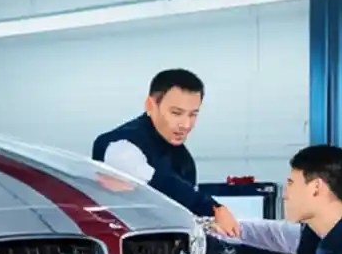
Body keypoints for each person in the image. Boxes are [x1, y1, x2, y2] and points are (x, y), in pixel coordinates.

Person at [93, 69, 241, 237]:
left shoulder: (182, 157)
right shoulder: (119, 145)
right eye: (176, 113)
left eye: (193, 114)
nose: (186, 124)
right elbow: (159, 184)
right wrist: (214, 208)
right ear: (150, 105)